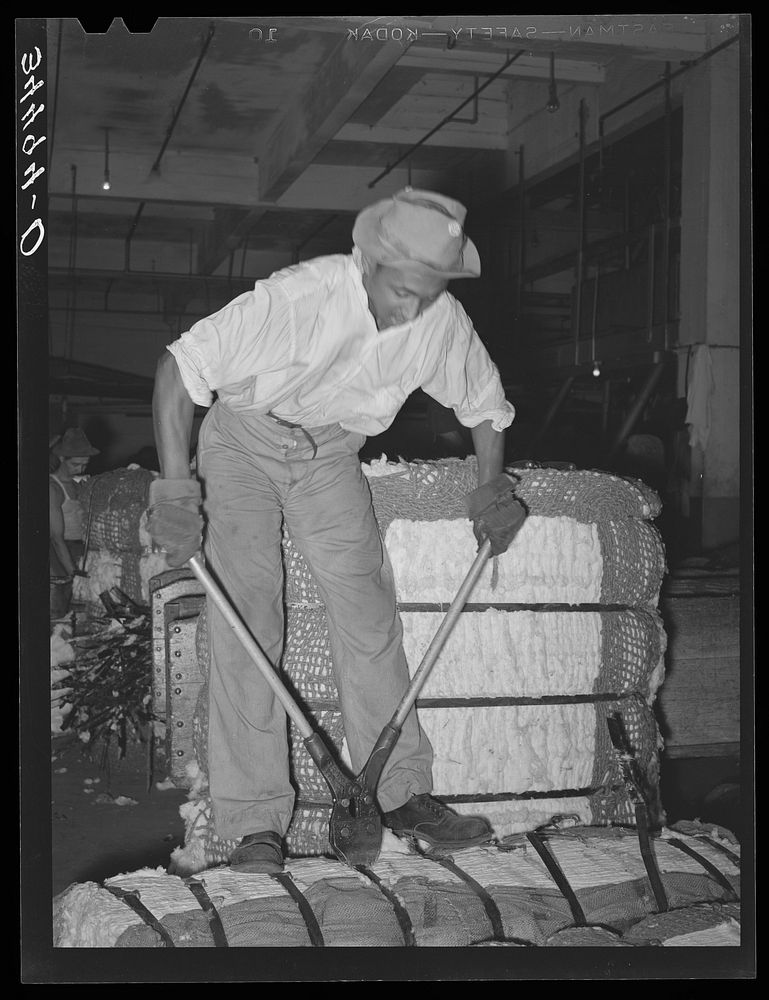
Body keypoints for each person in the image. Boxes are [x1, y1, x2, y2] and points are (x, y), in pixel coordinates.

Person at [149, 187, 524, 873]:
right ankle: (255, 819)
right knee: (247, 617)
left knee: (367, 612)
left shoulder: (439, 320)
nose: (409, 308)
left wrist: (489, 485)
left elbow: (483, 404)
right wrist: (176, 490)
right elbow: (178, 371)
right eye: (400, 288)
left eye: (428, 291)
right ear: (365, 260)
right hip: (244, 441)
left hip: (330, 452)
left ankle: (400, 791)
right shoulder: (298, 299)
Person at [49, 427, 99, 617]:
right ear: (62, 458)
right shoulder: (53, 487)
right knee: (61, 610)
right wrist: (73, 572)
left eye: (85, 465)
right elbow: (56, 538)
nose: (81, 469)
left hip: (80, 550)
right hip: (57, 553)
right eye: (76, 464)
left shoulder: (79, 484)